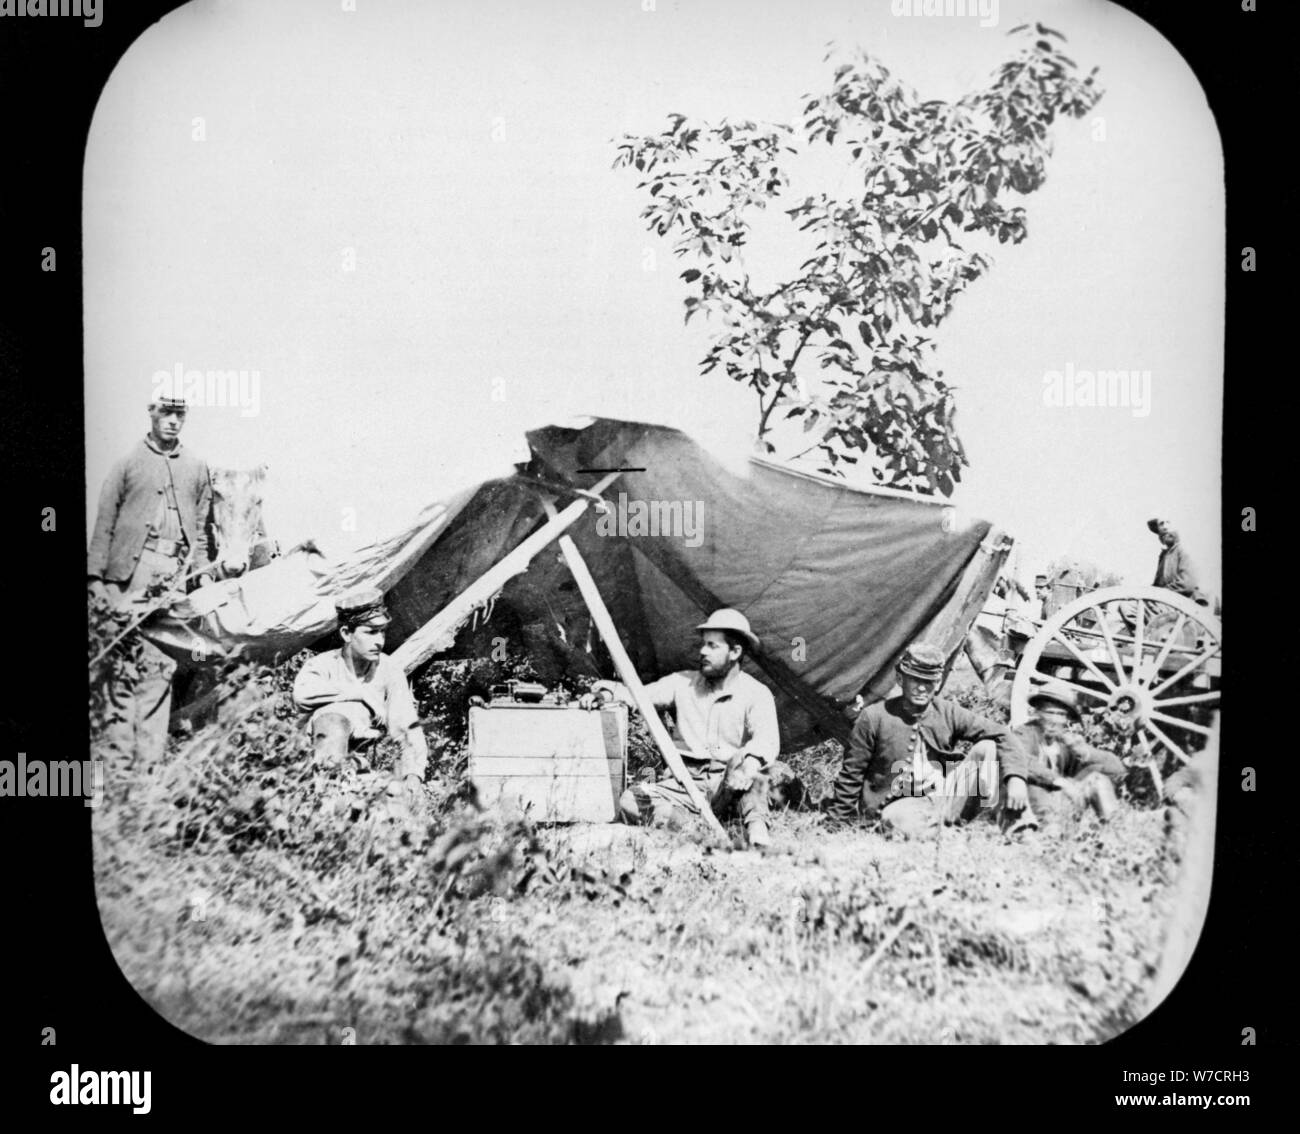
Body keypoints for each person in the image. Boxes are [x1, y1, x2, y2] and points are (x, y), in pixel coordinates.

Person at [578, 609, 780, 849]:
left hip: (728, 781)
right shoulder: (682, 682)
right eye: (703, 645)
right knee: (632, 799)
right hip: (684, 783)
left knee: (757, 777)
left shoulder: (756, 693)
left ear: (735, 652)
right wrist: (605, 692)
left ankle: (757, 834)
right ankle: (694, 829)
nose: (703, 652)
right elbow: (638, 695)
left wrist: (748, 766)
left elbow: (766, 740)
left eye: (713, 646)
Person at [88, 394, 217, 767]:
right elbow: (105, 524)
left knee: (161, 666)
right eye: (166, 413)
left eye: (180, 414)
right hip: (130, 576)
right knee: (121, 664)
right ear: (151, 413)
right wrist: (96, 580)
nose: (173, 421)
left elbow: (203, 533)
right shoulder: (128, 465)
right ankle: (114, 762)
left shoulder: (196, 467)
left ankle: (148, 766)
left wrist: (204, 575)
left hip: (174, 578)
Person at [823, 642, 1029, 837]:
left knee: (987, 748)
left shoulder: (947, 712)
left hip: (946, 795)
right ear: (901, 679)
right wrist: (839, 821)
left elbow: (1003, 734)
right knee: (899, 820)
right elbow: (852, 774)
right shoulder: (874, 717)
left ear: (938, 683)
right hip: (900, 804)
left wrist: (1016, 779)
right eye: (915, 680)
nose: (922, 688)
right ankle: (951, 832)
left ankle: (1017, 827)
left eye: (928, 682)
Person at [292, 588, 428, 785]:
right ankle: (326, 794)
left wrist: (413, 776)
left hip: (356, 769)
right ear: (347, 634)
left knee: (392, 796)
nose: (379, 641)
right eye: (371, 632)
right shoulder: (322, 665)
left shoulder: (388, 669)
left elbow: (407, 727)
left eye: (382, 632)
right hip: (306, 769)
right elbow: (302, 695)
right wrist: (360, 694)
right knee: (334, 717)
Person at [1014, 684, 1124, 831]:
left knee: (1098, 780)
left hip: (1061, 802)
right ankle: (1049, 832)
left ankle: (1114, 833)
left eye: (1060, 714)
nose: (1054, 720)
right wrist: (1058, 781)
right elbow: (1021, 761)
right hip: (1030, 806)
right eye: (1049, 712)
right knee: (1036, 788)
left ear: (1066, 718)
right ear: (1038, 713)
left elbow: (1117, 769)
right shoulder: (1023, 734)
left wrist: (1086, 752)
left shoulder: (1064, 742)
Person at [1147, 518, 1206, 604]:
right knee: (1128, 608)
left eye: (1168, 522)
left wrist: (1161, 593)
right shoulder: (1164, 556)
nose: (1165, 527)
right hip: (1166, 601)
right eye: (1161, 524)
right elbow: (1157, 585)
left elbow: (1187, 584)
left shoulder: (1183, 549)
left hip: (1184, 603)